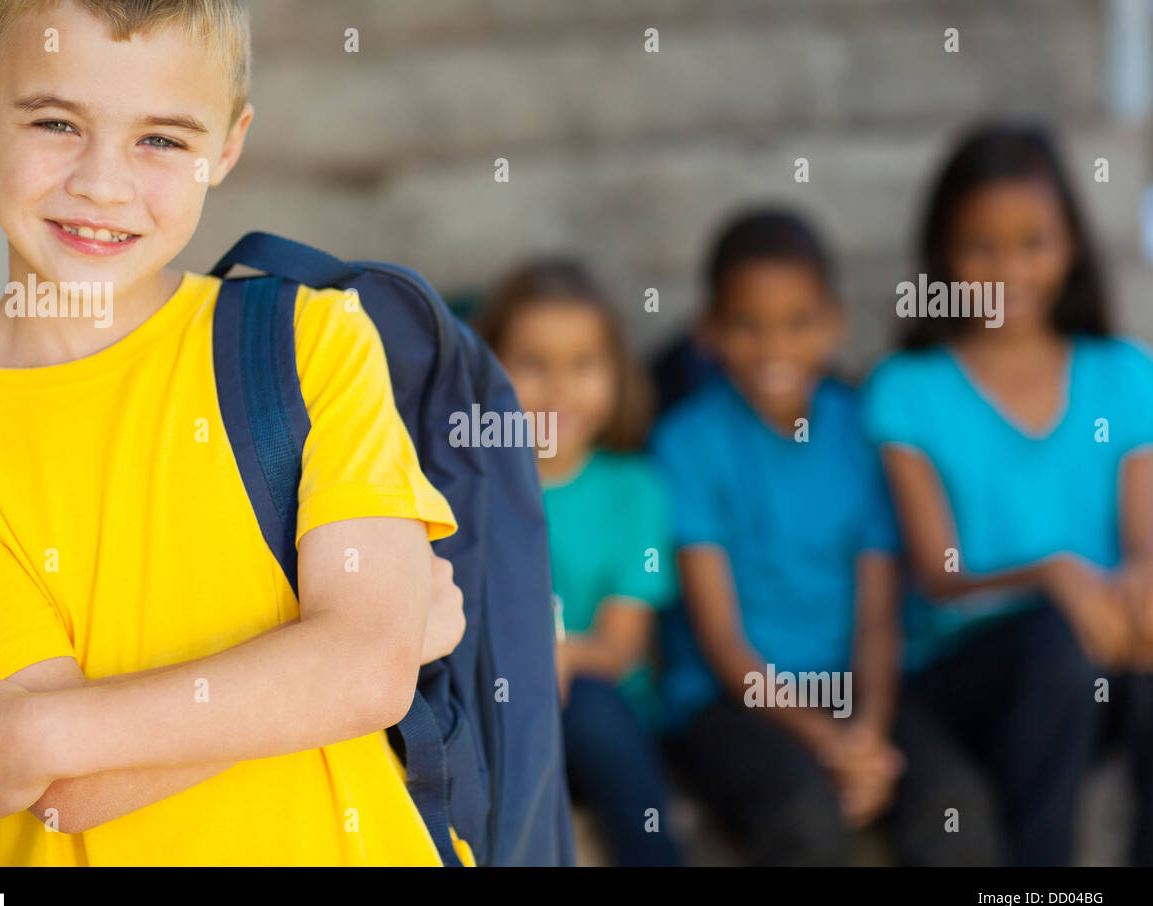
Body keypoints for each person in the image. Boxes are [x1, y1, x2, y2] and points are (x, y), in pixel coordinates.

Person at [0, 0, 472, 866]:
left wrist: (48, 730)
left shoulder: (311, 339)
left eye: (162, 141)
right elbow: (64, 789)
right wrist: (356, 661)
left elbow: (364, 671)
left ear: (227, 145)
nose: (102, 184)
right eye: (57, 122)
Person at [652, 208, 998, 865]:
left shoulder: (858, 431)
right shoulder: (689, 445)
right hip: (734, 700)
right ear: (708, 333)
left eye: (798, 322)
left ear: (834, 321)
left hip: (855, 685)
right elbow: (723, 642)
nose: (774, 347)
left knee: (952, 805)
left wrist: (865, 731)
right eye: (747, 326)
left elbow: (877, 616)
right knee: (802, 816)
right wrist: (824, 739)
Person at [862, 122, 1153, 866]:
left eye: (1035, 242)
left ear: (1072, 246)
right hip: (970, 671)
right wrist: (1050, 572)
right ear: (943, 253)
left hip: (1103, 652)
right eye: (981, 247)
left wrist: (1139, 585)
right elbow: (939, 575)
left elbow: (1144, 539)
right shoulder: (909, 391)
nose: (1009, 270)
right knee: (1057, 645)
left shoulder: (1122, 373)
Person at [478, 257, 683, 865]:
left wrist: (555, 656)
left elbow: (621, 648)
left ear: (616, 373)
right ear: (488, 371)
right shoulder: (468, 484)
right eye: (534, 365)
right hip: (499, 703)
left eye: (584, 366)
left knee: (589, 707)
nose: (561, 389)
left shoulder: (634, 491)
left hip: (596, 717)